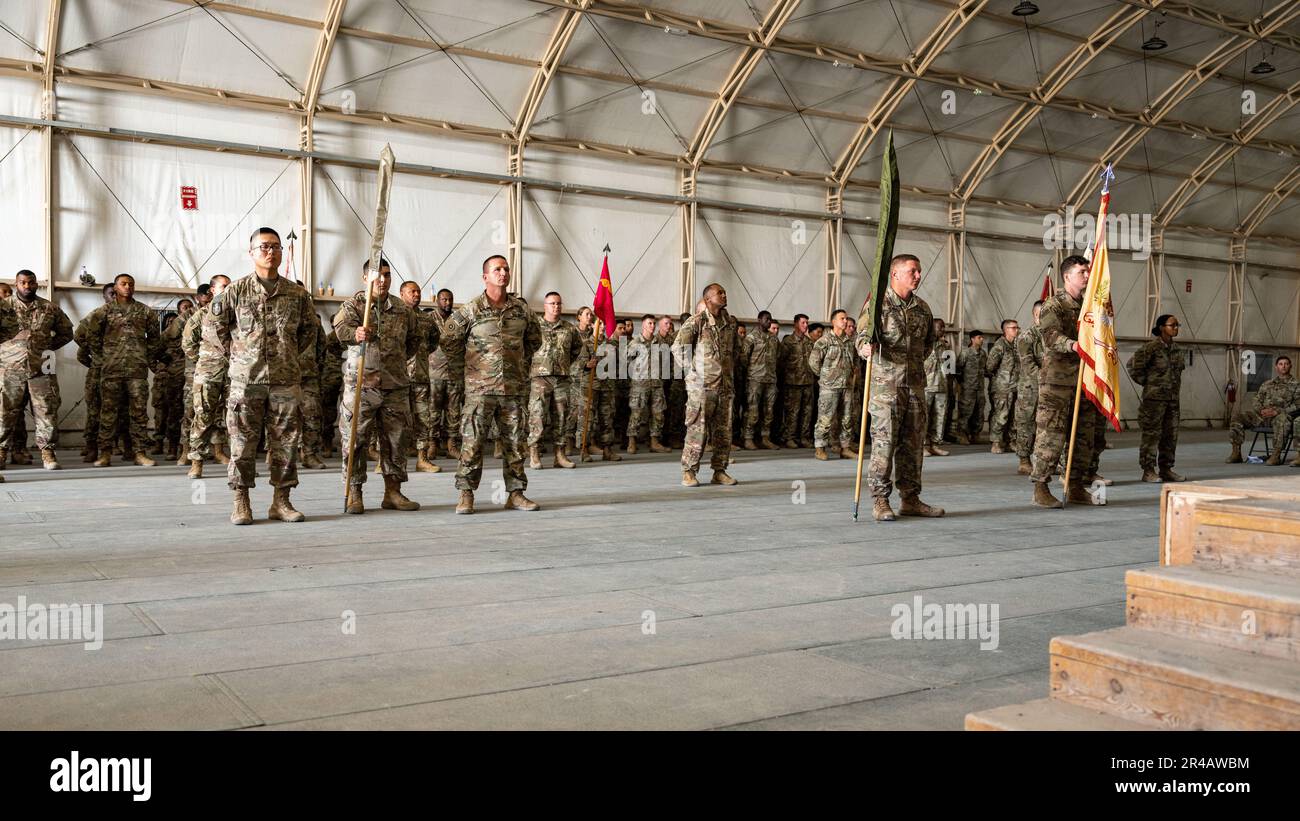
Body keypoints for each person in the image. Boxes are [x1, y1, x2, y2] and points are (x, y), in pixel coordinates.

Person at [206, 228, 316, 525]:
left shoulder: (297, 294)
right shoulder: (236, 291)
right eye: (264, 247)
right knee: (241, 443)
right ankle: (241, 501)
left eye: (276, 247)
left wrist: (286, 354)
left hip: (284, 381)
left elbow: (309, 332)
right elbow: (213, 327)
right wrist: (240, 355)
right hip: (246, 381)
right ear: (251, 252)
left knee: (287, 443)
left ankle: (281, 501)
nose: (271, 252)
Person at [438, 255, 542, 514]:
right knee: (472, 443)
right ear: (485, 277)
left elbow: (534, 340)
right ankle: (466, 494)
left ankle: (516, 494)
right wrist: (470, 367)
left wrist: (516, 363)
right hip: (480, 390)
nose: (503, 273)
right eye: (497, 269)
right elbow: (449, 340)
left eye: (506, 269)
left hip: (514, 389)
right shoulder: (471, 309)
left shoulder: (521, 310)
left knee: (515, 443)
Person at [335, 261, 431, 514]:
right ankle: (355, 492)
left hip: (395, 385)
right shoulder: (353, 306)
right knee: (355, 439)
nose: (383, 281)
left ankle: (393, 492)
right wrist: (355, 334)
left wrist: (394, 363)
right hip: (362, 385)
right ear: (365, 277)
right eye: (377, 276)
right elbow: (340, 330)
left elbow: (414, 340)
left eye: (387, 276)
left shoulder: (402, 309)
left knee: (396, 440)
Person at [855, 254, 942, 521]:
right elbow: (860, 339)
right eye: (912, 271)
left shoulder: (923, 308)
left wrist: (911, 365)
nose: (918, 275)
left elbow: (928, 344)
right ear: (895, 274)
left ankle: (910, 499)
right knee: (884, 443)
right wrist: (865, 348)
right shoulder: (877, 306)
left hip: (915, 386)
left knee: (913, 445)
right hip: (886, 389)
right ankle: (880, 500)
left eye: (919, 271)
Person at [1029, 255, 1105, 508]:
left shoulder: (1089, 307)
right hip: (1058, 382)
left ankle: (1074, 486)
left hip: (1085, 381)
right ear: (1067, 276)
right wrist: (1074, 345)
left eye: (1088, 271)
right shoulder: (1055, 305)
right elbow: (1050, 337)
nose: (1086, 275)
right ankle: (1040, 487)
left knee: (1084, 436)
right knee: (1051, 435)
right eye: (1081, 271)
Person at [75, 273, 164, 467]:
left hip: (136, 372)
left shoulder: (145, 311)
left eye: (131, 284)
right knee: (108, 412)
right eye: (123, 284)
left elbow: (155, 339)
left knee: (139, 413)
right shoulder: (103, 311)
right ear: (115, 288)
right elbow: (89, 335)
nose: (128, 287)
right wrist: (101, 357)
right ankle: (105, 453)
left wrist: (147, 359)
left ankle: (139, 453)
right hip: (111, 371)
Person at [0, 269, 74, 470]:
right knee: (4, 412)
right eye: (22, 282)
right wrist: (8, 347)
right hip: (10, 369)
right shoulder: (4, 307)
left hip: (41, 368)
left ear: (36, 284)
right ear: (16, 284)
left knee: (46, 411)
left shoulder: (49, 308)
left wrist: (45, 346)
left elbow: (67, 332)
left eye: (31, 282)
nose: (27, 286)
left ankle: (48, 453)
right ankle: (1, 453)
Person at [674, 285, 739, 487]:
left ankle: (719, 471)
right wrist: (693, 375)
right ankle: (689, 471)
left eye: (724, 291)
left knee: (723, 431)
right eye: (720, 292)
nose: (724, 294)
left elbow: (736, 350)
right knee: (697, 431)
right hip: (702, 388)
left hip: (725, 387)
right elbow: (678, 348)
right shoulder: (697, 321)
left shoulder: (730, 323)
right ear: (708, 298)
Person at [527, 291, 584, 469]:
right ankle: (534, 454)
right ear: (545, 306)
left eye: (558, 303)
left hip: (561, 378)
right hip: (540, 378)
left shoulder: (569, 328)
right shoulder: (534, 326)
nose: (556, 306)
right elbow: (525, 348)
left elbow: (576, 349)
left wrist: (564, 364)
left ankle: (559, 455)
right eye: (552, 303)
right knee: (538, 416)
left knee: (561, 416)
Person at [1127, 313, 1187, 482]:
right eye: (1172, 325)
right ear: (1162, 328)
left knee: (1170, 435)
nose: (1175, 328)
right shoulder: (1151, 348)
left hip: (1172, 401)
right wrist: (1148, 383)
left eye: (1177, 325)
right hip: (1154, 401)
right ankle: (1148, 470)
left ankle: (1166, 469)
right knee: (1151, 435)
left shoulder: (1177, 350)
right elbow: (1132, 366)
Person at [183, 274, 231, 479]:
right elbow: (188, 343)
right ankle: (196, 462)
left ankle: (235, 461)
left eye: (231, 286)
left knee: (236, 418)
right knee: (202, 416)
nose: (229, 289)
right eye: (224, 286)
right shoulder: (201, 315)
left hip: (234, 373)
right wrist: (205, 361)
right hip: (208, 373)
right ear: (213, 290)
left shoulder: (239, 315)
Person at [1226, 355, 1299, 466]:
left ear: (1290, 366)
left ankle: (1276, 455)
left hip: (1280, 416)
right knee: (1237, 417)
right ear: (1276, 367)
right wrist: (1261, 410)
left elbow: (1298, 405)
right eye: (1280, 364)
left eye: (1286, 364)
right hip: (1262, 415)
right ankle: (1236, 452)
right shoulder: (1267, 384)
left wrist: (1277, 412)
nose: (1283, 366)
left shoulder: (1296, 385)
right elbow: (1257, 399)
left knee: (1282, 420)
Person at [398, 280, 439, 473]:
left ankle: (422, 459)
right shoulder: (394, 316)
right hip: (398, 378)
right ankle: (387, 460)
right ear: (401, 294)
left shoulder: (426, 319)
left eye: (418, 292)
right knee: (395, 421)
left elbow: (433, 342)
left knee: (424, 418)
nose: (416, 295)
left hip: (421, 376)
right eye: (411, 291)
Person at [809, 308, 857, 460]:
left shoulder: (849, 342)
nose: (845, 321)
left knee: (847, 418)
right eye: (842, 318)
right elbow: (813, 362)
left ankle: (845, 448)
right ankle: (820, 448)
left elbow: (854, 362)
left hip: (847, 386)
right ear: (833, 321)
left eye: (846, 318)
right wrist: (825, 377)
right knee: (825, 418)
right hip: (829, 387)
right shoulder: (824, 341)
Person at [625, 313, 671, 455]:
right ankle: (632, 442)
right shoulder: (635, 343)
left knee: (658, 414)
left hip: (656, 384)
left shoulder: (660, 343)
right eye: (649, 323)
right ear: (643, 325)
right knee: (636, 413)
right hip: (640, 384)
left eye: (653, 324)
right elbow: (626, 363)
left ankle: (654, 442)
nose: (652, 326)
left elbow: (665, 362)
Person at [427, 288, 462, 460]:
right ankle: (432, 444)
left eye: (450, 299)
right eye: (444, 300)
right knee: (433, 411)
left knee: (454, 411)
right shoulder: (429, 319)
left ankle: (451, 445)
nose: (447, 303)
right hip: (434, 372)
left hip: (454, 373)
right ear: (437, 301)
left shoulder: (458, 320)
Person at [1013, 301, 1043, 475]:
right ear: (1035, 315)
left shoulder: (1052, 335)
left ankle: (1046, 461)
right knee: (1026, 423)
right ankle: (1024, 460)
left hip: (1050, 388)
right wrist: (1049, 377)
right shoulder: (1027, 337)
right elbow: (1028, 365)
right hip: (1030, 388)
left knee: (1048, 425)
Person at [741, 314, 780, 450]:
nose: (768, 322)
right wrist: (752, 371)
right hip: (755, 379)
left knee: (769, 411)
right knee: (753, 410)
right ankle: (748, 438)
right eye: (766, 319)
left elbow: (778, 356)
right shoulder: (751, 337)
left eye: (770, 319)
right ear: (759, 320)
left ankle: (765, 438)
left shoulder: (774, 338)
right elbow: (744, 358)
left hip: (770, 379)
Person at [985, 318, 1020, 453]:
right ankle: (996, 442)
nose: (1016, 330)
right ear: (1005, 330)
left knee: (1014, 417)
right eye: (1013, 328)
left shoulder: (1016, 345)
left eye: (1017, 327)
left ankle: (1011, 441)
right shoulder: (1000, 345)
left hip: (1015, 386)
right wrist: (1000, 378)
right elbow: (989, 366)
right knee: (1001, 415)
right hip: (1002, 387)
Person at [780, 314, 815, 448]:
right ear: (795, 324)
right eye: (803, 323)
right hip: (793, 383)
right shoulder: (788, 341)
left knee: (807, 411)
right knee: (792, 412)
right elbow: (781, 361)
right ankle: (790, 437)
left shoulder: (809, 342)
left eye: (807, 323)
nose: (806, 325)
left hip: (808, 382)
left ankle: (804, 437)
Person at [923, 317, 951, 457]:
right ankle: (922, 446)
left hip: (942, 386)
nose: (943, 330)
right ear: (932, 328)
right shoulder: (923, 344)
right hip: (926, 387)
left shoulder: (946, 346)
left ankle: (935, 444)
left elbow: (950, 368)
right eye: (940, 327)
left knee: (940, 417)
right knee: (924, 418)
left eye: (944, 327)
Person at [954, 330, 986, 444]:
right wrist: (963, 384)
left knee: (979, 412)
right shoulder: (965, 353)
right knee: (965, 412)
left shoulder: (983, 354)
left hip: (980, 388)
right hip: (968, 388)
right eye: (979, 337)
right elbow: (958, 370)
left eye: (982, 337)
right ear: (972, 339)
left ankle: (975, 434)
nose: (981, 339)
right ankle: (962, 434)